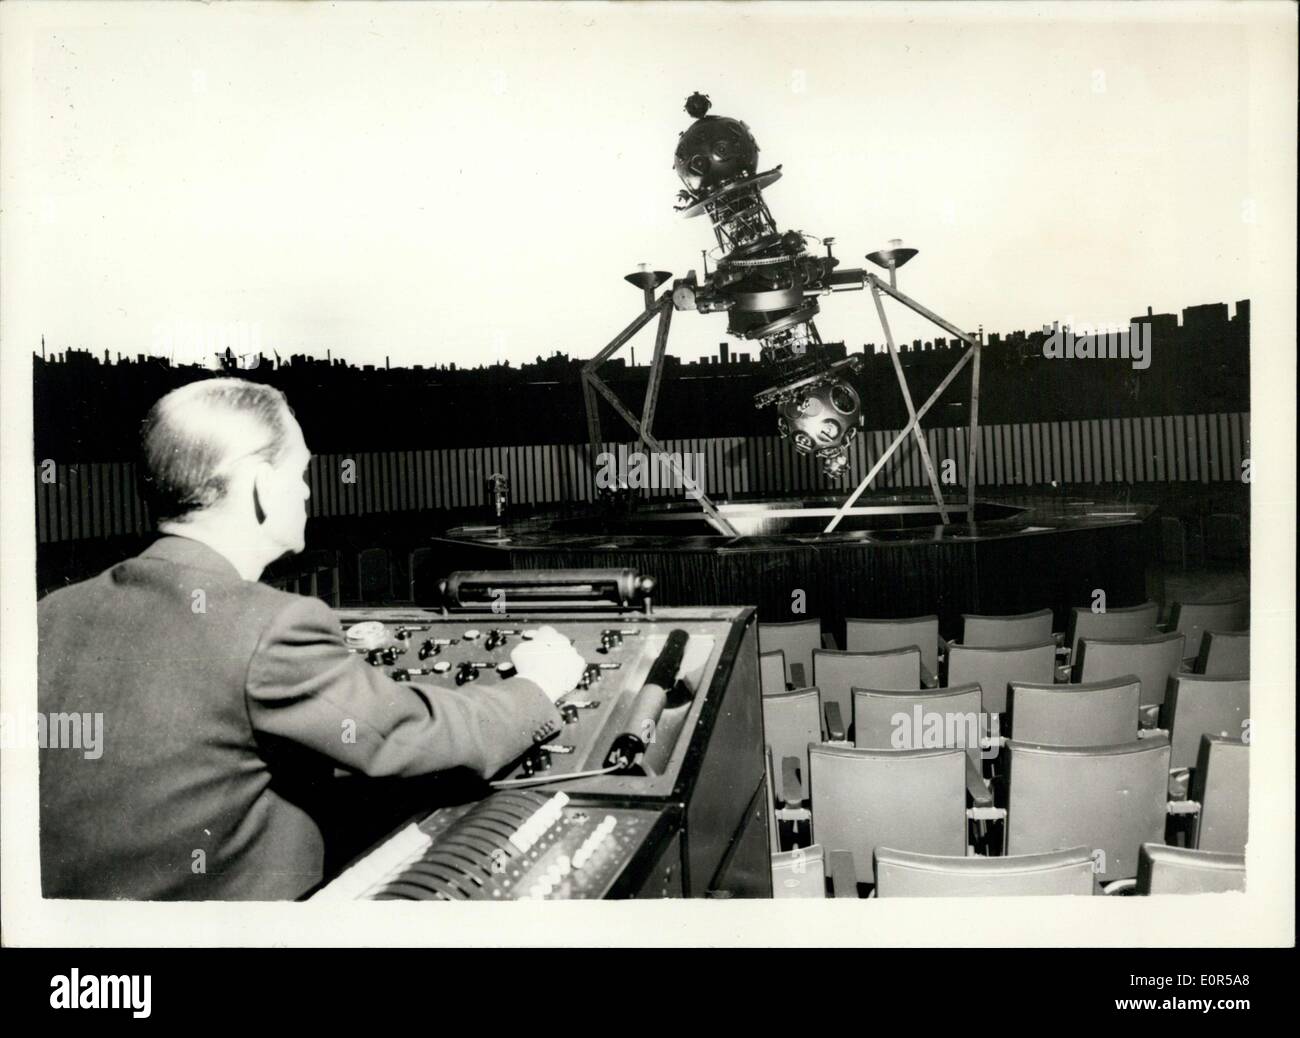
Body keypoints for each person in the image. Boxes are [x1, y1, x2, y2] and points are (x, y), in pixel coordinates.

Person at [38, 378, 585, 900]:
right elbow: (410, 735)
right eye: (300, 473)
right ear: (259, 485)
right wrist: (538, 686)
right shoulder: (270, 625)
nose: (306, 492)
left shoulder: (51, 615)